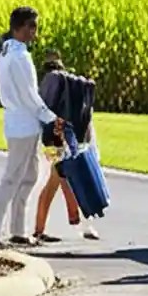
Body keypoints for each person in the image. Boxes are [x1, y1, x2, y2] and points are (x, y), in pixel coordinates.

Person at [0, 6, 59, 249]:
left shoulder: (4, 53)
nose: (35, 32)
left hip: (20, 122)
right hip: (23, 123)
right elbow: (28, 94)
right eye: (33, 27)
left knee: (30, 175)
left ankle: (18, 230)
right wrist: (50, 117)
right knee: (12, 178)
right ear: (21, 28)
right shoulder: (19, 57)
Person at [33, 49, 100, 242]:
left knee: (54, 182)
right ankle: (81, 222)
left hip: (54, 142)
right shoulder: (74, 89)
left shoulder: (47, 89)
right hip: (69, 142)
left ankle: (39, 228)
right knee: (67, 181)